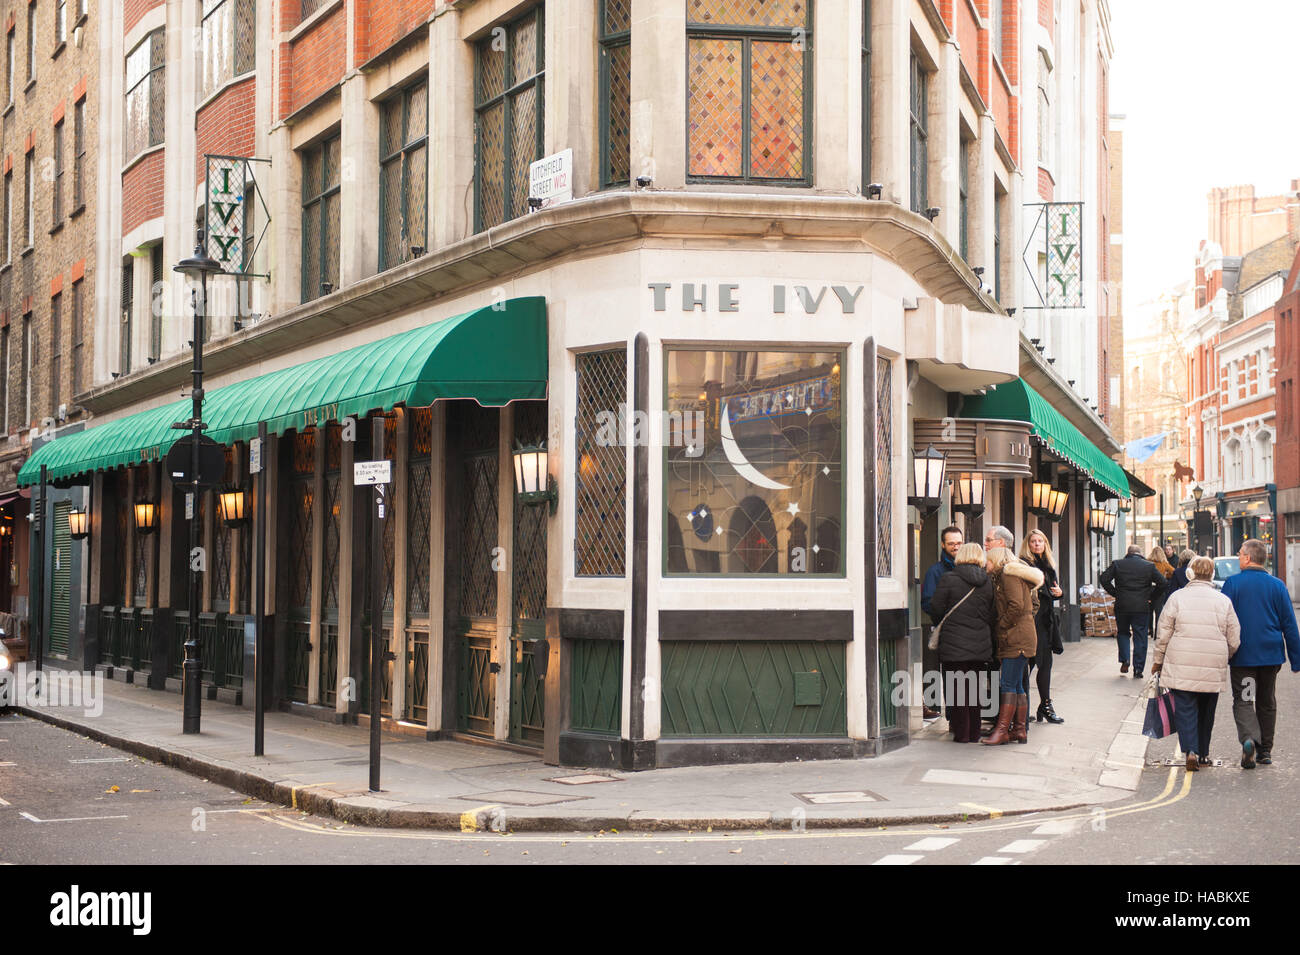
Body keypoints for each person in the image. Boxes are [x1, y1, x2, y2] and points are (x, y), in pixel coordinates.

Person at [1151, 556, 1241, 772]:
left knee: (1185, 709)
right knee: (1206, 711)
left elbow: (1163, 634)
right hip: (1212, 663)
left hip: (1181, 663)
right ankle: (1203, 753)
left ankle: (1190, 750)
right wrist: (1224, 655)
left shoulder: (1177, 598)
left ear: (1190, 573)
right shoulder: (1223, 601)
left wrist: (1158, 661)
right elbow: (1234, 638)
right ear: (1211, 574)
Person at [1221, 539, 1300, 768]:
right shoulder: (1277, 586)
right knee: (1267, 701)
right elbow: (1289, 625)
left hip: (1243, 655)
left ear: (1247, 558)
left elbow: (1224, 623)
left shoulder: (1233, 584)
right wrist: (1296, 659)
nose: (1238, 557)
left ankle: (1249, 740)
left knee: (1245, 700)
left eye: (1239, 554)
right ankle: (1265, 750)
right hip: (1270, 655)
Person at [930, 543, 996, 743]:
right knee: (974, 690)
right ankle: (974, 733)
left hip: (953, 644)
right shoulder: (987, 582)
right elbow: (993, 613)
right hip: (980, 644)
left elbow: (936, 608)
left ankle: (962, 733)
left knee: (957, 690)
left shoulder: (949, 578)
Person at [982, 546, 1043, 745]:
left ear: (997, 560)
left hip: (1016, 636)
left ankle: (1002, 731)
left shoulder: (1008, 576)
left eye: (988, 561)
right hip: (1020, 634)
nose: (986, 564)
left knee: (1008, 683)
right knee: (1016, 685)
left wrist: (1002, 625)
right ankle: (1019, 730)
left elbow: (1016, 605)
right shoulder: (1008, 576)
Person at [1099, 544, 1166, 680]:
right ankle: (1138, 668)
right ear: (1140, 553)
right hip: (1141, 607)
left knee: (1123, 632)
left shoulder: (1118, 564)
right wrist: (1151, 597)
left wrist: (1116, 593)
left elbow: (1104, 579)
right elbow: (1163, 583)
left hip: (1122, 605)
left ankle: (1125, 660)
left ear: (1128, 553)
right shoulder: (1149, 566)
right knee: (1140, 636)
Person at [1019, 528, 1064, 723]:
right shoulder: (1023, 566)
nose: (1037, 544)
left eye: (1040, 541)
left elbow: (1053, 590)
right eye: (1033, 541)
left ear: (1045, 544)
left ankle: (1045, 705)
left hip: (1046, 621)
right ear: (1027, 545)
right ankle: (1022, 707)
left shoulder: (1049, 566)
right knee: (1026, 665)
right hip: (1030, 620)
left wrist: (1060, 593)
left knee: (1045, 665)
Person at [920, 526, 964, 719]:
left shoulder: (972, 569)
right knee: (949, 676)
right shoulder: (935, 572)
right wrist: (946, 617)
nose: (956, 547)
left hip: (970, 633)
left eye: (959, 543)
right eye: (951, 543)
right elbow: (928, 602)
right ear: (943, 545)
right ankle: (952, 718)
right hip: (946, 632)